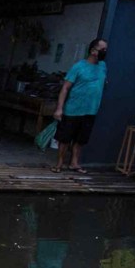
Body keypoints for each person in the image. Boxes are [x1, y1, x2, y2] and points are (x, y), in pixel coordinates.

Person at [51, 38, 108, 174]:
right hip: (74, 109)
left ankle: (74, 163)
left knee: (80, 139)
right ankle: (59, 163)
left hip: (91, 110)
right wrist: (59, 108)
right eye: (103, 49)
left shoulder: (103, 66)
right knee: (65, 138)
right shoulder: (79, 67)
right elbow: (65, 88)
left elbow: (103, 81)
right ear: (93, 51)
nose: (105, 52)